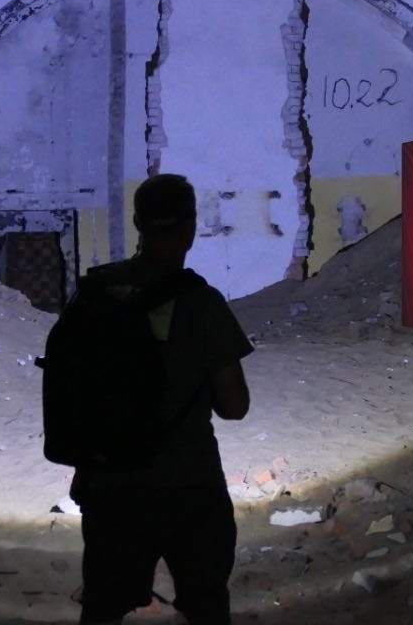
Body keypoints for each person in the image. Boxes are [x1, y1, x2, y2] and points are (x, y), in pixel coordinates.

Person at [69, 173, 253, 625]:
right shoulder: (202, 303)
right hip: (189, 483)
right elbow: (234, 407)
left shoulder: (94, 294)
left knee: (103, 608)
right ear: (191, 226)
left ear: (138, 223)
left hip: (110, 482)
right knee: (207, 603)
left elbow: (70, 391)